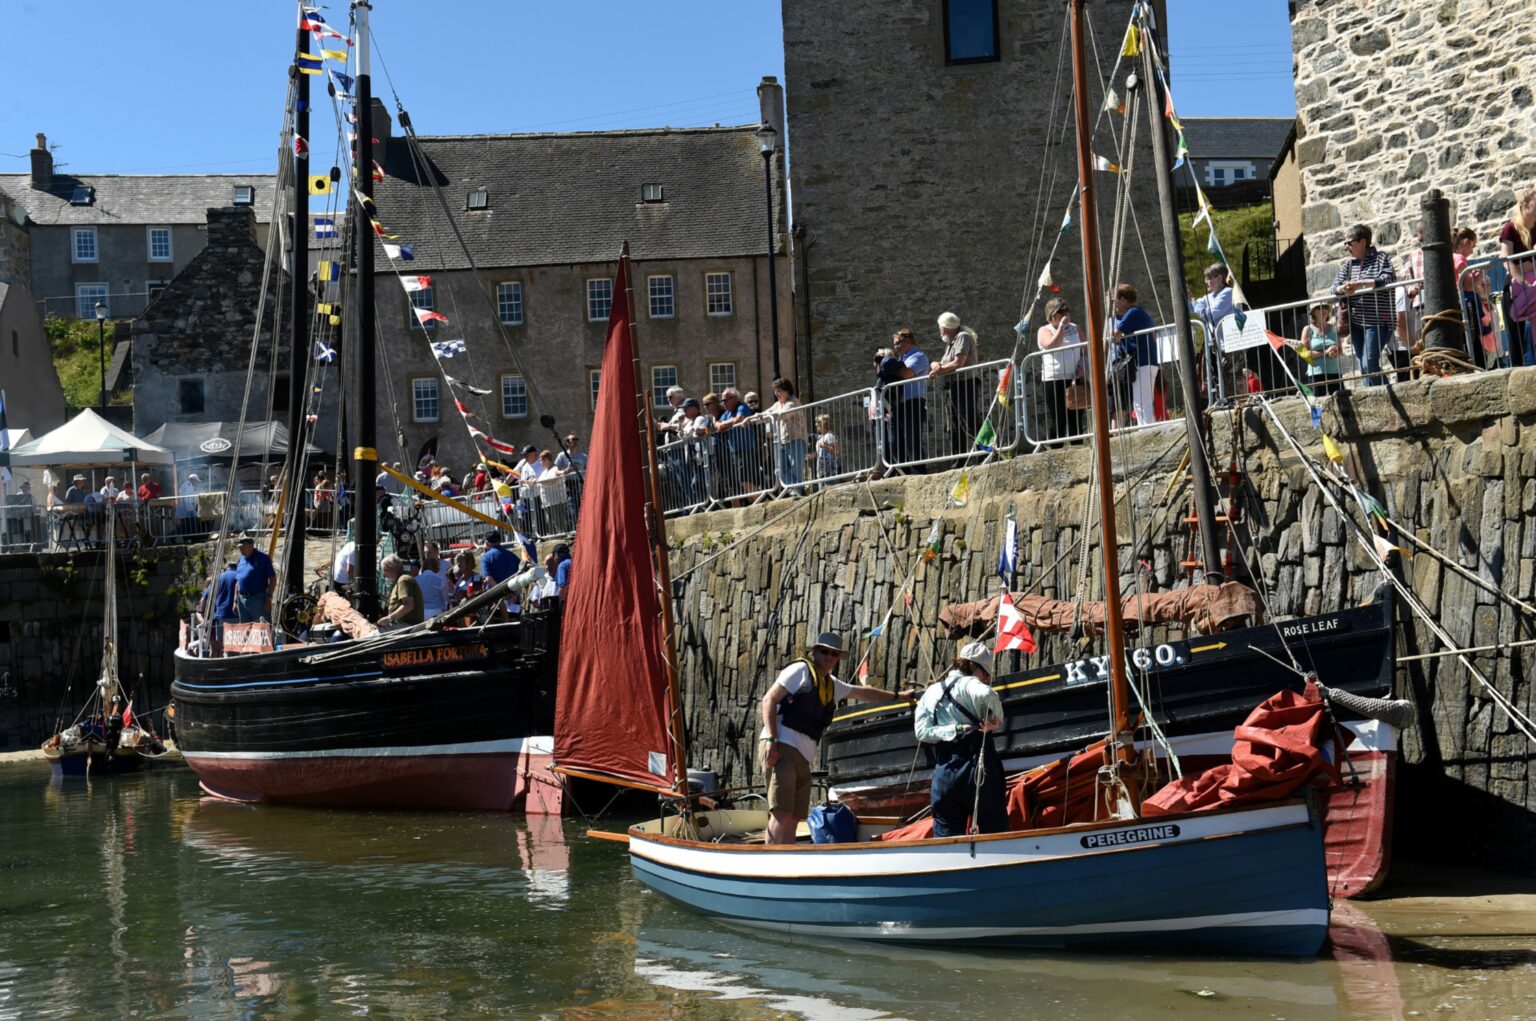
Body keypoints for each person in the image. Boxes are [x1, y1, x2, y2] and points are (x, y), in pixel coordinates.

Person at [758, 631, 918, 844]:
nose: (829, 656)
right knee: (782, 811)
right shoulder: (800, 671)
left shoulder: (832, 685)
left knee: (795, 816)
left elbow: (864, 693)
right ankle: (772, 864)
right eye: (824, 651)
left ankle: (785, 861)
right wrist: (771, 740)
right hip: (783, 745)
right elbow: (768, 700)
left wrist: (899, 697)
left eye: (834, 654)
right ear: (815, 652)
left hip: (803, 756)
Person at [914, 642, 1008, 837]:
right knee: (994, 829)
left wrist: (953, 729)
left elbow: (921, 732)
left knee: (946, 832)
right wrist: (996, 720)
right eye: (986, 674)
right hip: (977, 768)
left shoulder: (930, 692)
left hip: (945, 771)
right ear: (975, 667)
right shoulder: (972, 683)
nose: (987, 679)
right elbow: (989, 694)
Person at [1331, 223, 1398, 385]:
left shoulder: (1381, 258)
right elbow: (1334, 288)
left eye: (1350, 243)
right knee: (1363, 365)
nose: (1347, 247)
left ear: (1362, 242)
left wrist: (1360, 284)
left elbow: (1388, 278)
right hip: (1355, 322)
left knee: (1369, 362)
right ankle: (1376, 396)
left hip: (1377, 321)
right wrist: (1344, 287)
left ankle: (1382, 395)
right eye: (1345, 243)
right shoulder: (1347, 265)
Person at [928, 311, 981, 457]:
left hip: (965, 384)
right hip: (953, 386)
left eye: (940, 327)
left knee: (969, 421)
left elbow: (958, 362)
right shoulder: (951, 343)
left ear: (946, 327)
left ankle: (986, 453)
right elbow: (945, 364)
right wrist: (936, 365)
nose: (939, 331)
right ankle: (959, 459)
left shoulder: (962, 337)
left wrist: (938, 369)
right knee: (953, 426)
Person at [1110, 283, 1158, 425]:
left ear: (1123, 300)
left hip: (1142, 361)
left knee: (1142, 403)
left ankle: (1148, 430)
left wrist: (1113, 336)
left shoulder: (1132, 312)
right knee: (1143, 402)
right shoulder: (1139, 312)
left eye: (1114, 301)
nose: (1112, 306)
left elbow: (1116, 334)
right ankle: (1148, 428)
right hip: (1146, 361)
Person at [1037, 296, 1083, 441]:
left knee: (1075, 417)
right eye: (1062, 311)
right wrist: (1062, 327)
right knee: (1058, 418)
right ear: (1052, 314)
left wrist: (1082, 366)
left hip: (1075, 377)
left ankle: (1078, 448)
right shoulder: (1044, 330)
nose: (1066, 314)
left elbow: (1086, 349)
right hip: (1054, 379)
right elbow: (1052, 344)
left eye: (1067, 310)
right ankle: (1056, 451)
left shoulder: (1076, 328)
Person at [1499, 187, 1536, 367]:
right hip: (1516, 286)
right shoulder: (1510, 228)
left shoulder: (1535, 228)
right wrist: (1522, 279)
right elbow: (1507, 260)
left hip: (1533, 284)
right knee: (1517, 337)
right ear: (1525, 204)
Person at [887, 328, 930, 468]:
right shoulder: (899, 360)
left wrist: (887, 367)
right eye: (894, 344)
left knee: (912, 439)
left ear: (908, 341)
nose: (895, 347)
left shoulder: (919, 356)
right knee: (895, 441)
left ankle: (919, 471)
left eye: (898, 343)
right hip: (897, 404)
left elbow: (906, 374)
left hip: (913, 402)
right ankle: (903, 473)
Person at [764, 378, 807, 495]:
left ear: (787, 390)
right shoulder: (777, 404)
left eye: (779, 391)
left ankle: (798, 493)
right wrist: (751, 418)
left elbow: (781, 415)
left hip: (796, 440)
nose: (776, 394)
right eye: (775, 391)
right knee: (779, 471)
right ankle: (799, 491)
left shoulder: (793, 402)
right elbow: (765, 414)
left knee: (796, 471)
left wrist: (767, 415)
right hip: (782, 442)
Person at [1299, 302, 1342, 396]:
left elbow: (1340, 351)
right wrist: (1326, 352)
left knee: (1342, 402)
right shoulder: (1307, 329)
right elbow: (1304, 354)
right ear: (1313, 312)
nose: (1324, 310)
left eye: (1326, 308)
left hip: (1334, 371)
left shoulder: (1334, 328)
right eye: (1319, 308)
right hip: (1315, 373)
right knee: (1318, 404)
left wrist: (1335, 352)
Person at [234, 533, 275, 623]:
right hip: (242, 600)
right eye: (240, 548)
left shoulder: (263, 559)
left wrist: (269, 598)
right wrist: (235, 601)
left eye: (243, 547)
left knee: (263, 628)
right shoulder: (241, 559)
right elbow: (238, 582)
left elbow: (272, 579)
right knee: (245, 630)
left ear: (251, 545)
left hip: (258, 599)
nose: (241, 550)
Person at [379, 554, 423, 628]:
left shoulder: (403, 580)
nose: (384, 574)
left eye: (385, 570)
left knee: (370, 635)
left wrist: (389, 618)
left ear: (394, 568)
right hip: (402, 624)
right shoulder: (399, 581)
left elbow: (408, 605)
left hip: (405, 625)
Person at [416, 551, 453, 619]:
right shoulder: (441, 579)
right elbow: (445, 598)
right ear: (436, 566)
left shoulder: (416, 579)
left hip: (421, 612)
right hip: (437, 611)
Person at [814, 413, 840, 481]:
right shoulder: (820, 437)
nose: (816, 424)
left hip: (830, 472)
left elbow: (836, 451)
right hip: (821, 472)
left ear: (823, 424)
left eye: (818, 422)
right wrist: (810, 456)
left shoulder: (829, 436)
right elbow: (819, 453)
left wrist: (825, 446)